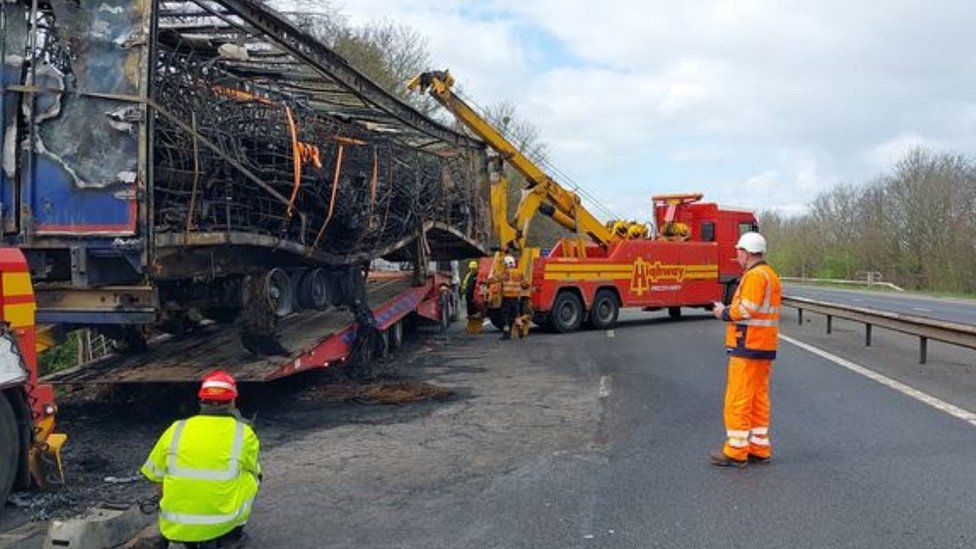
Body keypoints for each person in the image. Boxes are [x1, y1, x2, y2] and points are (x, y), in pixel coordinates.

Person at [141, 371, 261, 548]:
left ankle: (186, 536)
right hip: (223, 522)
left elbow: (154, 475)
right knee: (253, 475)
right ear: (233, 401)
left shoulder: (176, 428)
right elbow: (252, 470)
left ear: (201, 401)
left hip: (175, 526)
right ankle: (234, 532)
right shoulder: (244, 433)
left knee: (164, 475)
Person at [710, 232, 782, 467]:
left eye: (739, 251)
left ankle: (736, 450)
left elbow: (747, 309)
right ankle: (759, 447)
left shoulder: (754, 276)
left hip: (747, 345)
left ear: (747, 252)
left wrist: (724, 313)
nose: (737, 255)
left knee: (738, 398)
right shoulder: (770, 274)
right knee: (758, 398)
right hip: (764, 346)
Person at [490, 255, 529, 340]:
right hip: (516, 298)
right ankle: (521, 329)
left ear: (506, 264)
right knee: (516, 315)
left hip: (507, 298)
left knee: (505, 318)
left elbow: (494, 279)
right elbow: (526, 284)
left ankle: (506, 334)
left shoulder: (505, 273)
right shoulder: (519, 273)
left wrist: (485, 282)